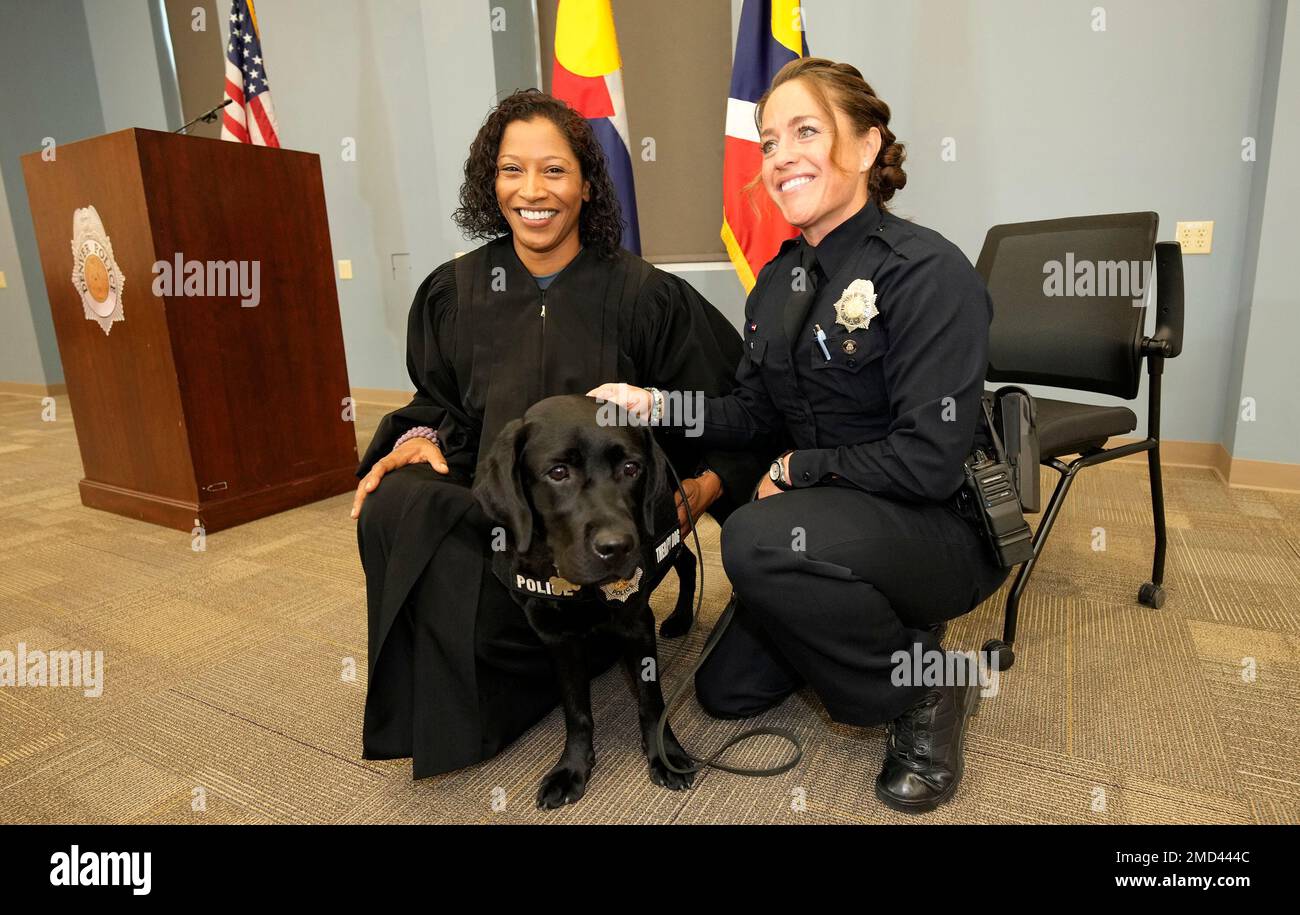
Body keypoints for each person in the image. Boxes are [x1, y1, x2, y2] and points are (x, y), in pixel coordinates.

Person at [589, 58, 1010, 813]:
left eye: (805, 131)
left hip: (941, 528)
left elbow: (929, 460)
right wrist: (654, 405)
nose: (780, 155)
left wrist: (799, 466)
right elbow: (750, 413)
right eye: (768, 140)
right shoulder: (777, 283)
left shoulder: (926, 272)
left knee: (754, 539)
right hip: (839, 523)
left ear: (870, 144)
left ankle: (929, 684)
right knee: (725, 693)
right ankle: (858, 612)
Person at [350, 90, 769, 780]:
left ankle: (586, 635)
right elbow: (439, 401)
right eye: (512, 170)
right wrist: (416, 435)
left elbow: (720, 404)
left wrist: (705, 485)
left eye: (554, 170)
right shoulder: (456, 292)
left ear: (585, 183)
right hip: (513, 532)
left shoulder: (643, 296)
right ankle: (528, 656)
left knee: (562, 600)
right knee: (400, 500)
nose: (532, 191)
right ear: (492, 183)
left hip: (615, 537)